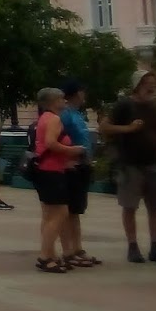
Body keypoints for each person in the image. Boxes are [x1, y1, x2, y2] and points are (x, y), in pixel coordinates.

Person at [99, 69, 156, 264]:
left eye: (154, 84)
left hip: (154, 164)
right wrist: (128, 129)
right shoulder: (124, 105)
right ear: (137, 85)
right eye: (147, 83)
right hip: (130, 164)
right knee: (130, 205)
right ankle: (133, 247)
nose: (151, 88)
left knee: (155, 206)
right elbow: (104, 127)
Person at [32, 86, 84, 272]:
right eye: (61, 98)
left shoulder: (44, 118)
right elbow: (51, 143)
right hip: (53, 171)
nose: (64, 101)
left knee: (48, 215)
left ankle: (50, 253)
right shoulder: (54, 119)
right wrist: (74, 150)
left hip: (44, 171)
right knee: (60, 213)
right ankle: (45, 256)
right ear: (52, 101)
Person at [59, 81, 100, 267]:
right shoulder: (66, 114)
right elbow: (59, 137)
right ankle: (68, 250)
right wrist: (68, 157)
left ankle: (77, 248)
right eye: (83, 91)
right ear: (76, 93)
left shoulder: (78, 113)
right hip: (72, 166)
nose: (85, 95)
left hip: (83, 164)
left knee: (76, 210)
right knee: (68, 211)